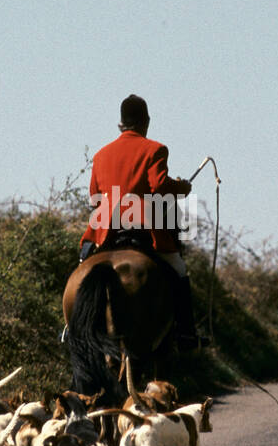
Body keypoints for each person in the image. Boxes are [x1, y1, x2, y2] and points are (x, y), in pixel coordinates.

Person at [79, 95, 203, 350]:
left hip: (105, 229)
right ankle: (187, 334)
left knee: (81, 271)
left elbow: (94, 196)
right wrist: (182, 187)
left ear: (120, 125)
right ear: (146, 122)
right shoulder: (155, 149)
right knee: (179, 271)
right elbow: (159, 185)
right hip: (143, 224)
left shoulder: (101, 155)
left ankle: (70, 329)